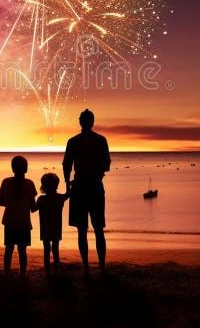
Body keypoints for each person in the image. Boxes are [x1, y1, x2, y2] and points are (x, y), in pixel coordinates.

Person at [63, 109, 111, 275]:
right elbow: (107, 165)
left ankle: (86, 266)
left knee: (82, 231)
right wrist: (97, 173)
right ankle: (102, 266)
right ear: (92, 122)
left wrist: (67, 184)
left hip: (79, 187)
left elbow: (66, 165)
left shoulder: (73, 141)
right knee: (98, 229)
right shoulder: (101, 140)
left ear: (80, 121)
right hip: (95, 186)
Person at [0, 155, 37, 277]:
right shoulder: (30, 184)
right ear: (26, 169)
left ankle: (6, 273)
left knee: (9, 249)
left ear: (12, 168)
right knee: (22, 251)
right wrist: (43, 203)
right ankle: (23, 274)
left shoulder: (6, 182)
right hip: (24, 222)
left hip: (9, 221)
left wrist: (10, 203)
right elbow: (33, 208)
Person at [33, 172, 70, 275]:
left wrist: (31, 196)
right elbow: (68, 194)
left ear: (43, 185)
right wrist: (68, 182)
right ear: (56, 185)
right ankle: (56, 271)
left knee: (46, 250)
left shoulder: (41, 199)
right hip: (56, 227)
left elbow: (33, 209)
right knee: (55, 249)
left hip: (45, 227)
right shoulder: (60, 198)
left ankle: (47, 272)